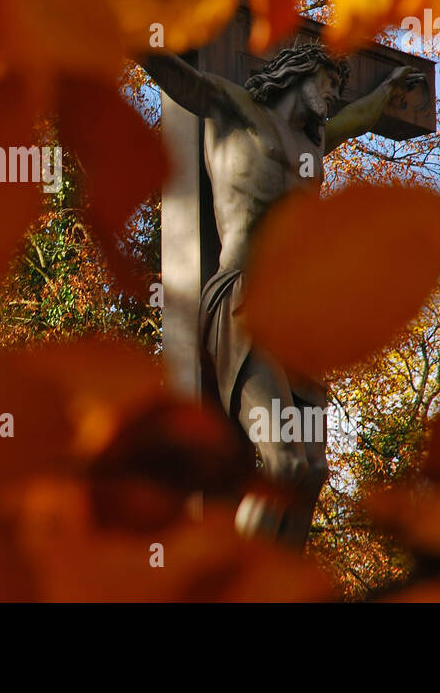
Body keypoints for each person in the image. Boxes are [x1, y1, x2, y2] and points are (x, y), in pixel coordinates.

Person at [141, 43, 425, 548]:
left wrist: (387, 91)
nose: (335, 96)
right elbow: (182, 80)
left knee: (312, 471)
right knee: (284, 462)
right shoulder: (237, 111)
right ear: (298, 74)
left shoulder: (312, 148)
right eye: (328, 83)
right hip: (243, 303)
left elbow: (359, 117)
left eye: (340, 86)